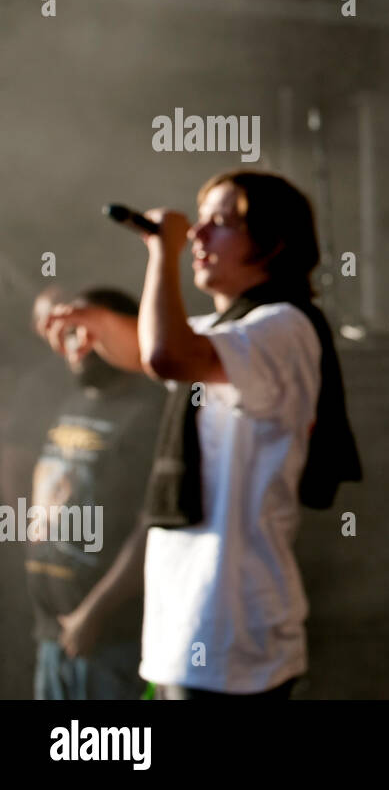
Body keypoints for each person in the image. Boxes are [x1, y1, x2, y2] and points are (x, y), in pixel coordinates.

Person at [42, 170, 359, 699]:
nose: (197, 235)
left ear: (272, 242)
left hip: (233, 633)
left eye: (222, 223)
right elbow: (148, 352)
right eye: (200, 222)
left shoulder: (283, 326)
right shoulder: (233, 331)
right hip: (190, 630)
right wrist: (94, 323)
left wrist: (160, 253)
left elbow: (168, 355)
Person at [25, 287, 164, 699]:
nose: (75, 348)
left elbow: (154, 526)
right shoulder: (74, 403)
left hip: (113, 640)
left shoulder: (154, 411)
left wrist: (94, 613)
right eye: (68, 336)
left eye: (86, 334)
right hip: (52, 636)